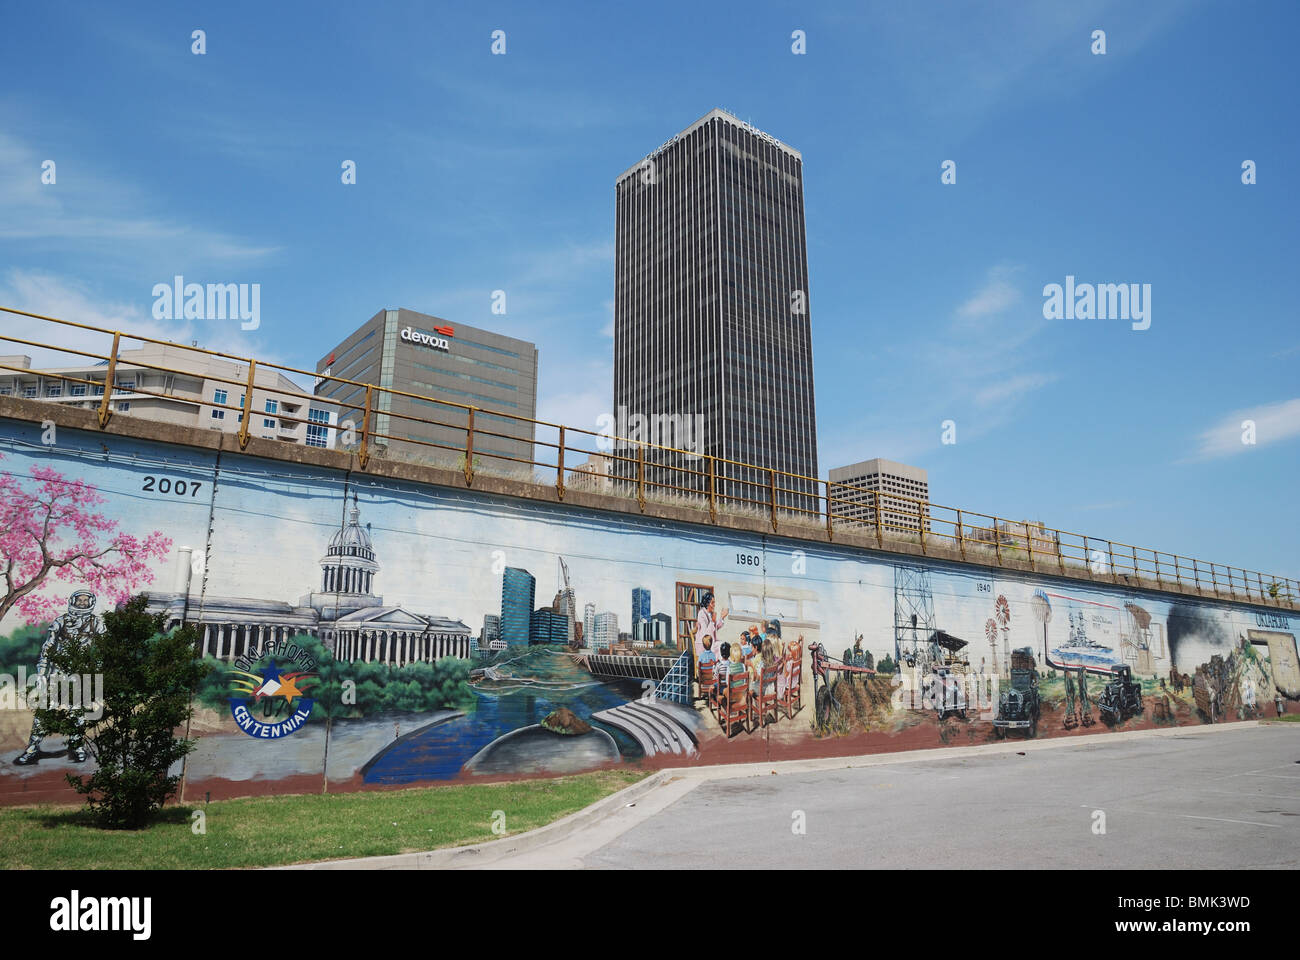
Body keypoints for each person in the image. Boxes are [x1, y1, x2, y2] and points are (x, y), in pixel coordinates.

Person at [14, 590, 98, 765]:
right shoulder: (60, 621)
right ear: (73, 601)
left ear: (90, 602)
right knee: (44, 712)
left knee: (77, 713)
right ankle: (32, 750)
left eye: (85, 600)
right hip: (57, 673)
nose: (82, 603)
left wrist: (97, 668)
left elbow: (104, 646)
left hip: (79, 674)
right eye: (79, 600)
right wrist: (41, 673)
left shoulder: (95, 623)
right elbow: (48, 647)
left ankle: (77, 746)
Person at [693, 591, 728, 675]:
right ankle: (719, 671)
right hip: (704, 643)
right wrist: (712, 621)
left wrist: (722, 618)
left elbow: (716, 627)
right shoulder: (701, 613)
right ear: (707, 603)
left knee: (722, 645)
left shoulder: (710, 614)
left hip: (711, 641)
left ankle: (720, 670)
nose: (714, 604)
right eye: (713, 602)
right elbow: (706, 634)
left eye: (714, 602)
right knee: (720, 646)